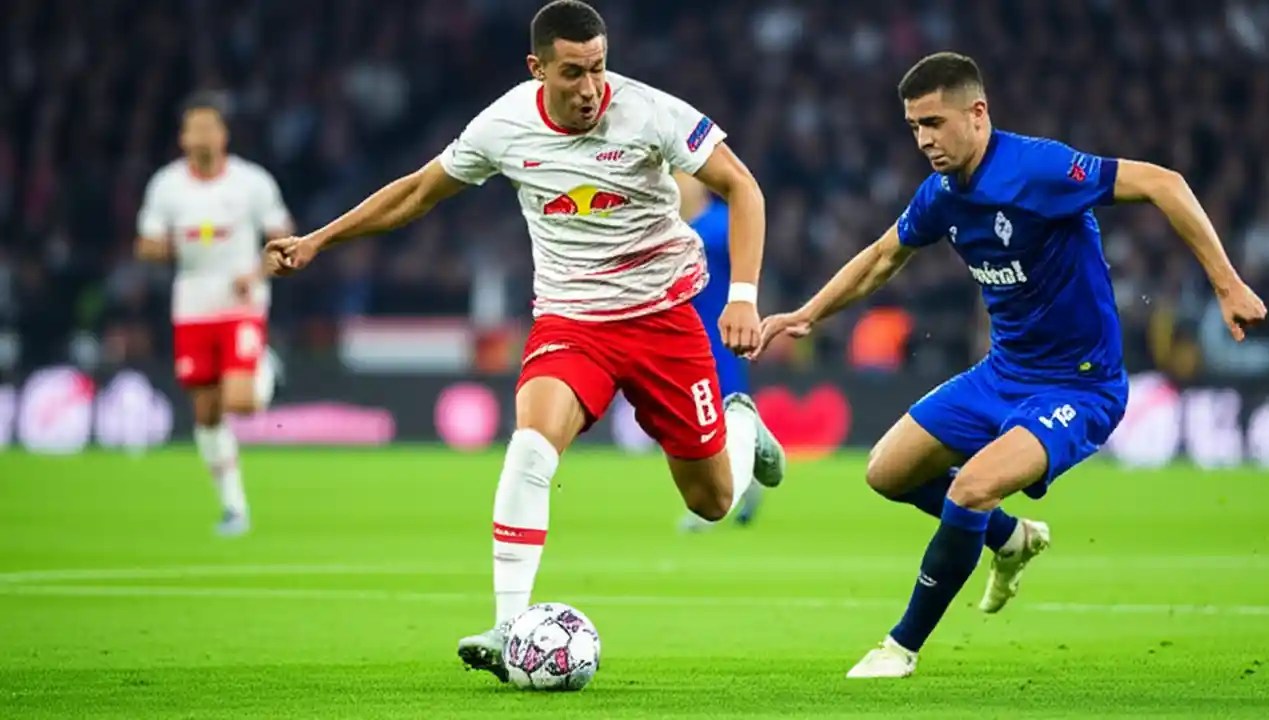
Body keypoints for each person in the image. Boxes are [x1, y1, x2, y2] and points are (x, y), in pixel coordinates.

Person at [263, 0, 785, 682]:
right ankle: (510, 625)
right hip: (572, 323)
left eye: (599, 68)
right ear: (537, 68)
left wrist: (743, 296)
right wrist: (318, 239)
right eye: (573, 72)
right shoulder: (504, 125)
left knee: (712, 502)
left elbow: (742, 187)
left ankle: (741, 425)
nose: (591, 87)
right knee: (532, 446)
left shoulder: (650, 111)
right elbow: (419, 192)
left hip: (663, 319)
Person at [754, 52, 1267, 679]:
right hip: (1000, 375)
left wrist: (1226, 284)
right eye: (914, 127)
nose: (924, 141)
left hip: (1080, 386)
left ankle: (901, 646)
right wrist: (807, 315)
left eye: (935, 124)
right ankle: (1009, 537)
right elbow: (885, 256)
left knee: (970, 487)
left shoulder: (1040, 169)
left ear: (978, 113)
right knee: (887, 473)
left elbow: (1165, 183)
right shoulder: (941, 192)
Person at [136, 93, 292, 537]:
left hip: (242, 301)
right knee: (206, 412)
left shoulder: (251, 183)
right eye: (194, 128)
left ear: (223, 135)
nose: (203, 135)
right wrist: (168, 246)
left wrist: (257, 271)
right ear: (183, 138)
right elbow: (146, 242)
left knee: (239, 402)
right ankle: (234, 508)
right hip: (191, 305)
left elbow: (284, 238)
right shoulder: (166, 186)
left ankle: (265, 365)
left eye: (211, 127)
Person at [674, 172, 771, 531]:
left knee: (721, 412)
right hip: (680, 338)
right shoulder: (669, 225)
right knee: (690, 418)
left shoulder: (719, 223)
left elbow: (750, 255)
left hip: (720, 335)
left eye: (682, 175)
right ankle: (743, 482)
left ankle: (719, 499)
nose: (677, 184)